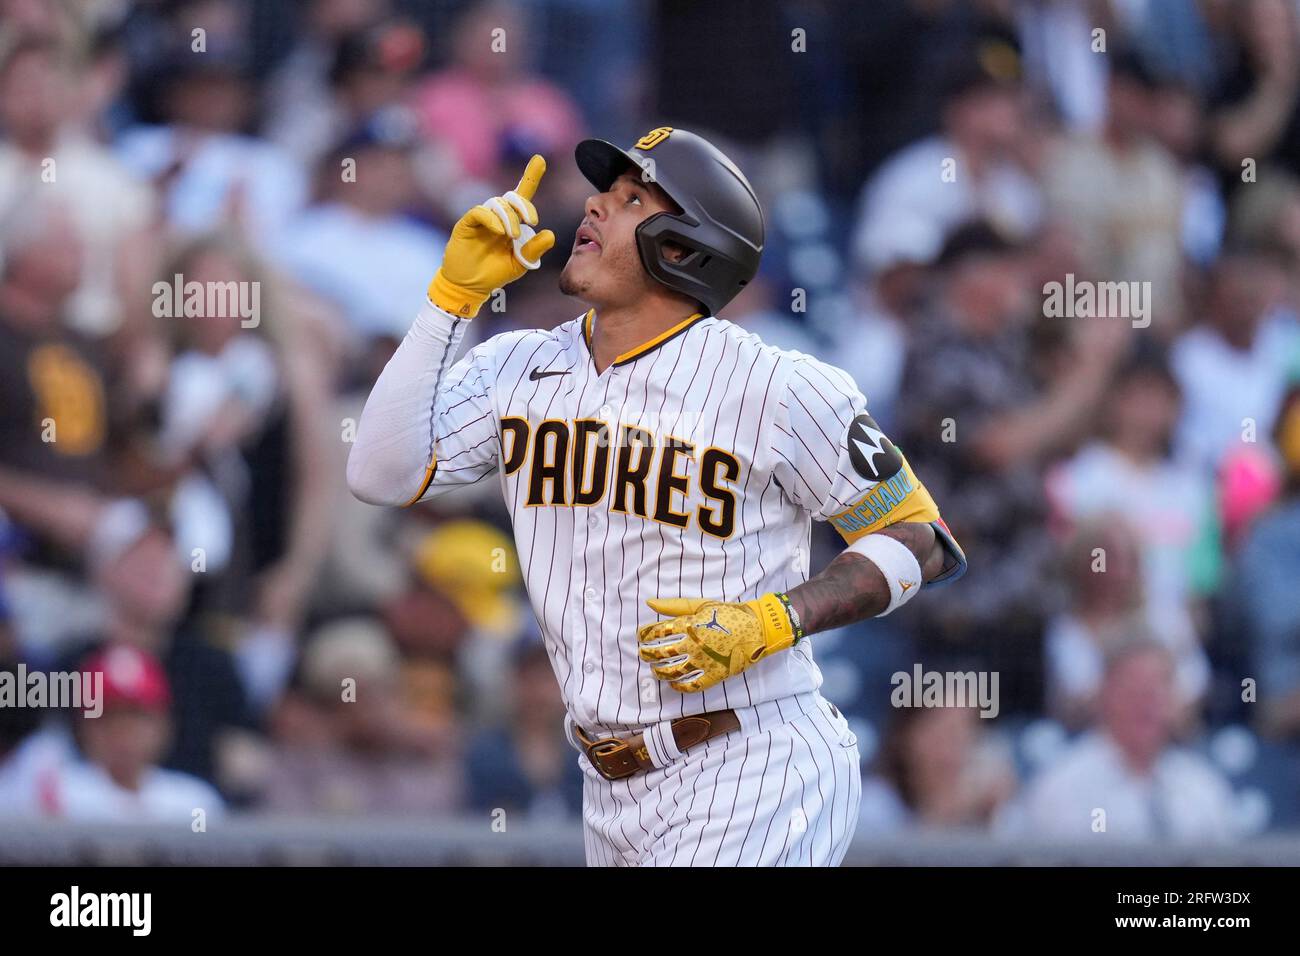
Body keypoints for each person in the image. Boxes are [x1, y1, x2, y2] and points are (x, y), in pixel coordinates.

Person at [348, 126, 966, 867]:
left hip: (754, 761)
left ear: (683, 247)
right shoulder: (519, 365)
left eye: (631, 198)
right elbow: (379, 473)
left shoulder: (778, 384)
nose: (594, 207)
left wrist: (780, 618)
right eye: (603, 192)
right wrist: (449, 302)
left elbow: (922, 539)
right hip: (609, 786)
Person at [1002, 640, 1238, 842]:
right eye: (1134, 689)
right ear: (1104, 694)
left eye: (1157, 690)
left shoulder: (1201, 785)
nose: (1146, 704)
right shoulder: (1061, 789)